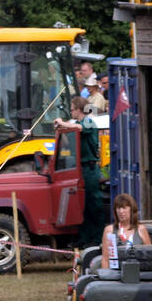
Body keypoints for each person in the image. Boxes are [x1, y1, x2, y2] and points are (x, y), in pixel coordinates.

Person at [55, 96, 105, 245]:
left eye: (72, 109)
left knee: (93, 205)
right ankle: (85, 239)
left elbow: (80, 128)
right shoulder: (77, 123)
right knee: (82, 206)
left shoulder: (88, 121)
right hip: (81, 169)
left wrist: (63, 122)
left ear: (78, 109)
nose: (71, 112)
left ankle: (97, 239)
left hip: (89, 169)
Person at [100, 193, 150, 269]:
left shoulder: (141, 229)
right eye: (118, 208)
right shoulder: (109, 230)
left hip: (138, 273)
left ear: (131, 209)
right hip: (115, 274)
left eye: (124, 208)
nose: (121, 211)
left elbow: (150, 255)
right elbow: (105, 259)